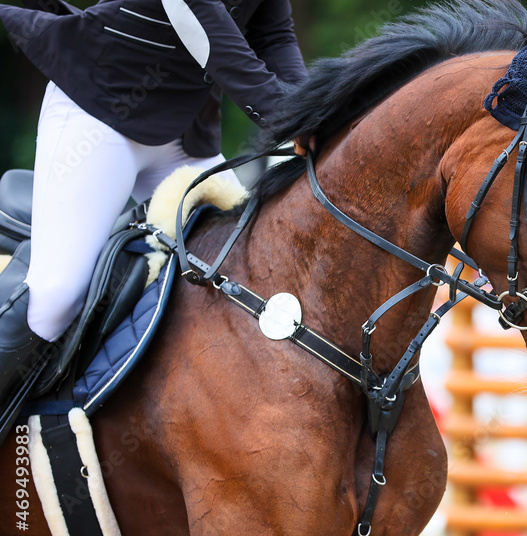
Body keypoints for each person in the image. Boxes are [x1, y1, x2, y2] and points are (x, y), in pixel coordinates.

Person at [0, 0, 306, 401]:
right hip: (101, 111)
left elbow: (273, 34)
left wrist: (312, 110)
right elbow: (201, 20)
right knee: (56, 295)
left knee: (243, 270)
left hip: (185, 137)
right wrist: (297, 119)